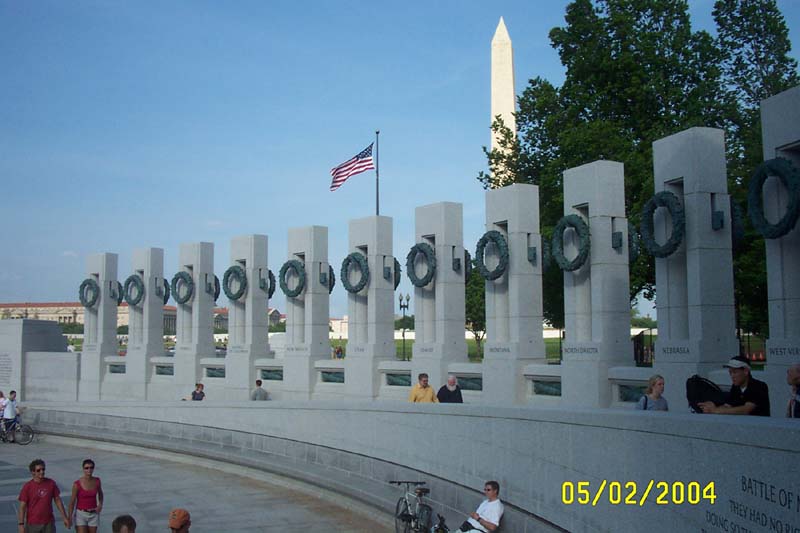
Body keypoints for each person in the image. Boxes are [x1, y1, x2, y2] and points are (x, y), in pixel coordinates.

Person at [699, 356, 770, 416]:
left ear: (746, 371)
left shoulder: (759, 386)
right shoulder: (736, 387)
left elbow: (746, 410)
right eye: (730, 372)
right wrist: (710, 408)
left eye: (735, 372)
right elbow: (727, 405)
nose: (732, 376)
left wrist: (715, 411)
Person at [18, 459, 71, 532]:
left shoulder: (51, 483)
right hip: (33, 524)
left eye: (43, 469)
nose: (42, 472)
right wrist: (21, 524)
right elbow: (22, 507)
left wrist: (64, 518)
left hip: (48, 523)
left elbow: (58, 500)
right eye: (38, 470)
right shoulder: (27, 487)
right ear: (33, 472)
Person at [67, 459, 103, 533]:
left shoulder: (97, 481)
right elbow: (72, 502)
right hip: (81, 514)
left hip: (94, 514)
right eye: (86, 468)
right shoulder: (77, 484)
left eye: (91, 467)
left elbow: (100, 493)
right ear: (83, 469)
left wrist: (100, 504)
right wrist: (69, 517)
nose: (89, 469)